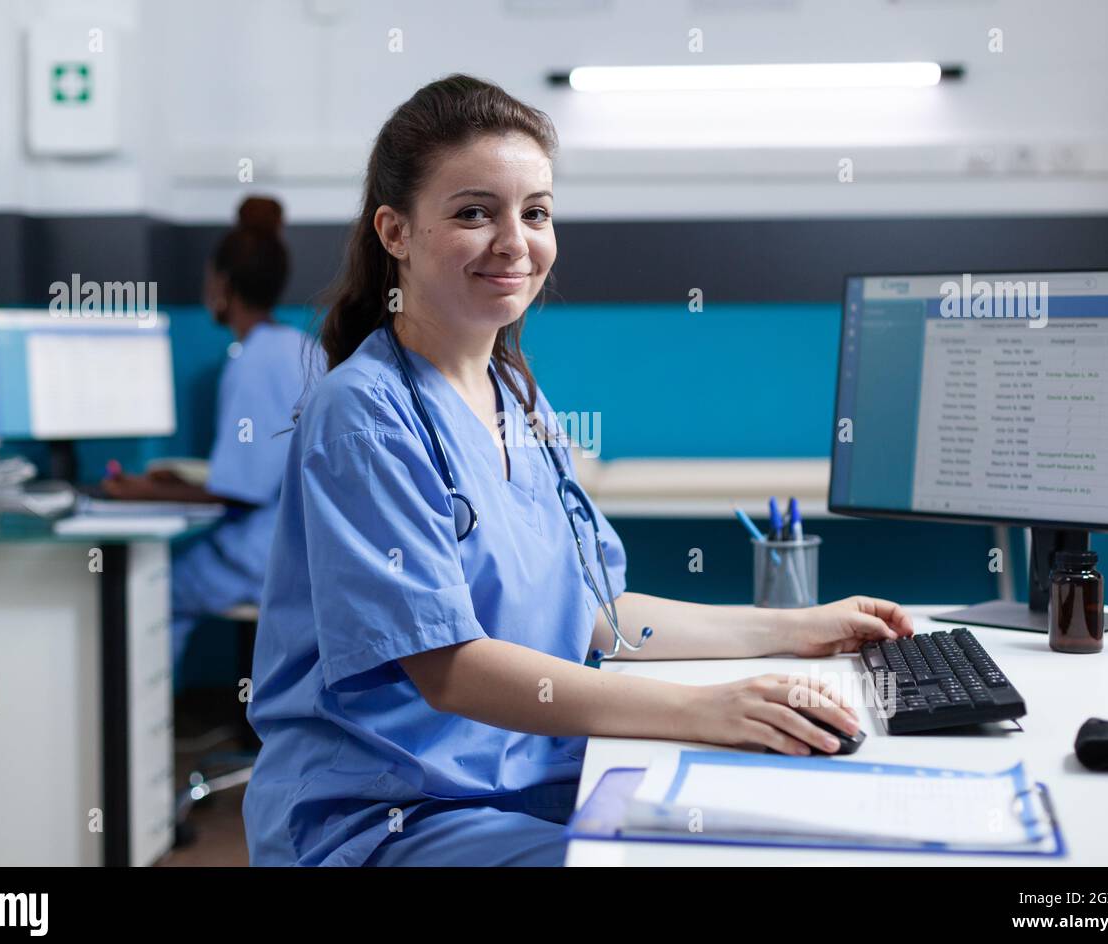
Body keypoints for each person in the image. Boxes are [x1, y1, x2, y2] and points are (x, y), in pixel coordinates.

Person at [242, 75, 913, 867]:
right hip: (395, 814)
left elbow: (601, 614)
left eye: (535, 212)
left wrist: (797, 629)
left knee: (787, 826)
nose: (514, 242)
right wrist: (705, 709)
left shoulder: (519, 398)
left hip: (529, 776)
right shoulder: (364, 414)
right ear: (395, 232)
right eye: (473, 212)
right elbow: (450, 669)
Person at [103, 196, 312, 668]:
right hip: (300, 541)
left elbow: (238, 494)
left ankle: (138, 736)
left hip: (266, 552)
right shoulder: (297, 346)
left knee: (153, 592)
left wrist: (140, 492)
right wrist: (173, 485)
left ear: (222, 285)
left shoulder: (255, 360)